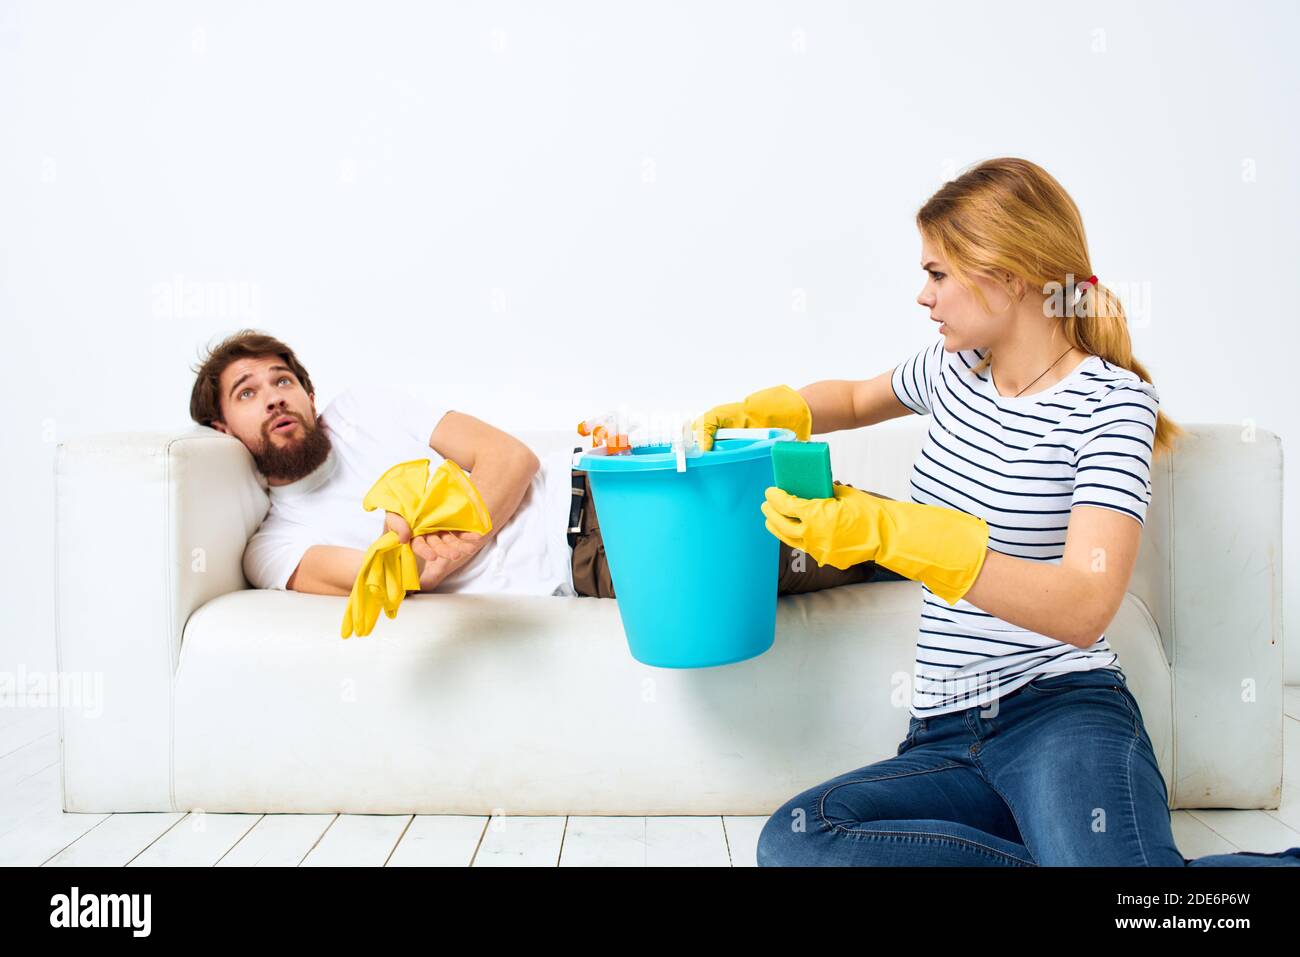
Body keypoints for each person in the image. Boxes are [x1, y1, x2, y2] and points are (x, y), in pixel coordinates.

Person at [692, 157, 1299, 866]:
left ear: (1010, 275)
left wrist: (897, 532)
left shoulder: (1112, 405)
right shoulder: (956, 368)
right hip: (942, 736)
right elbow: (857, 398)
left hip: (1063, 715)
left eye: (938, 273)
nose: (924, 296)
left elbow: (1083, 605)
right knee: (800, 842)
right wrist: (780, 411)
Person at [188, 330, 898, 601]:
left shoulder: (361, 408)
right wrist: (413, 541)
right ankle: (969, 564)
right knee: (825, 546)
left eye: (283, 380)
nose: (274, 398)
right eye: (248, 394)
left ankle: (985, 542)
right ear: (225, 428)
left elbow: (511, 456)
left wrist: (465, 527)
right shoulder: (270, 545)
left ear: (308, 392)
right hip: (590, 555)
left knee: (840, 501)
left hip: (603, 471)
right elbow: (392, 574)